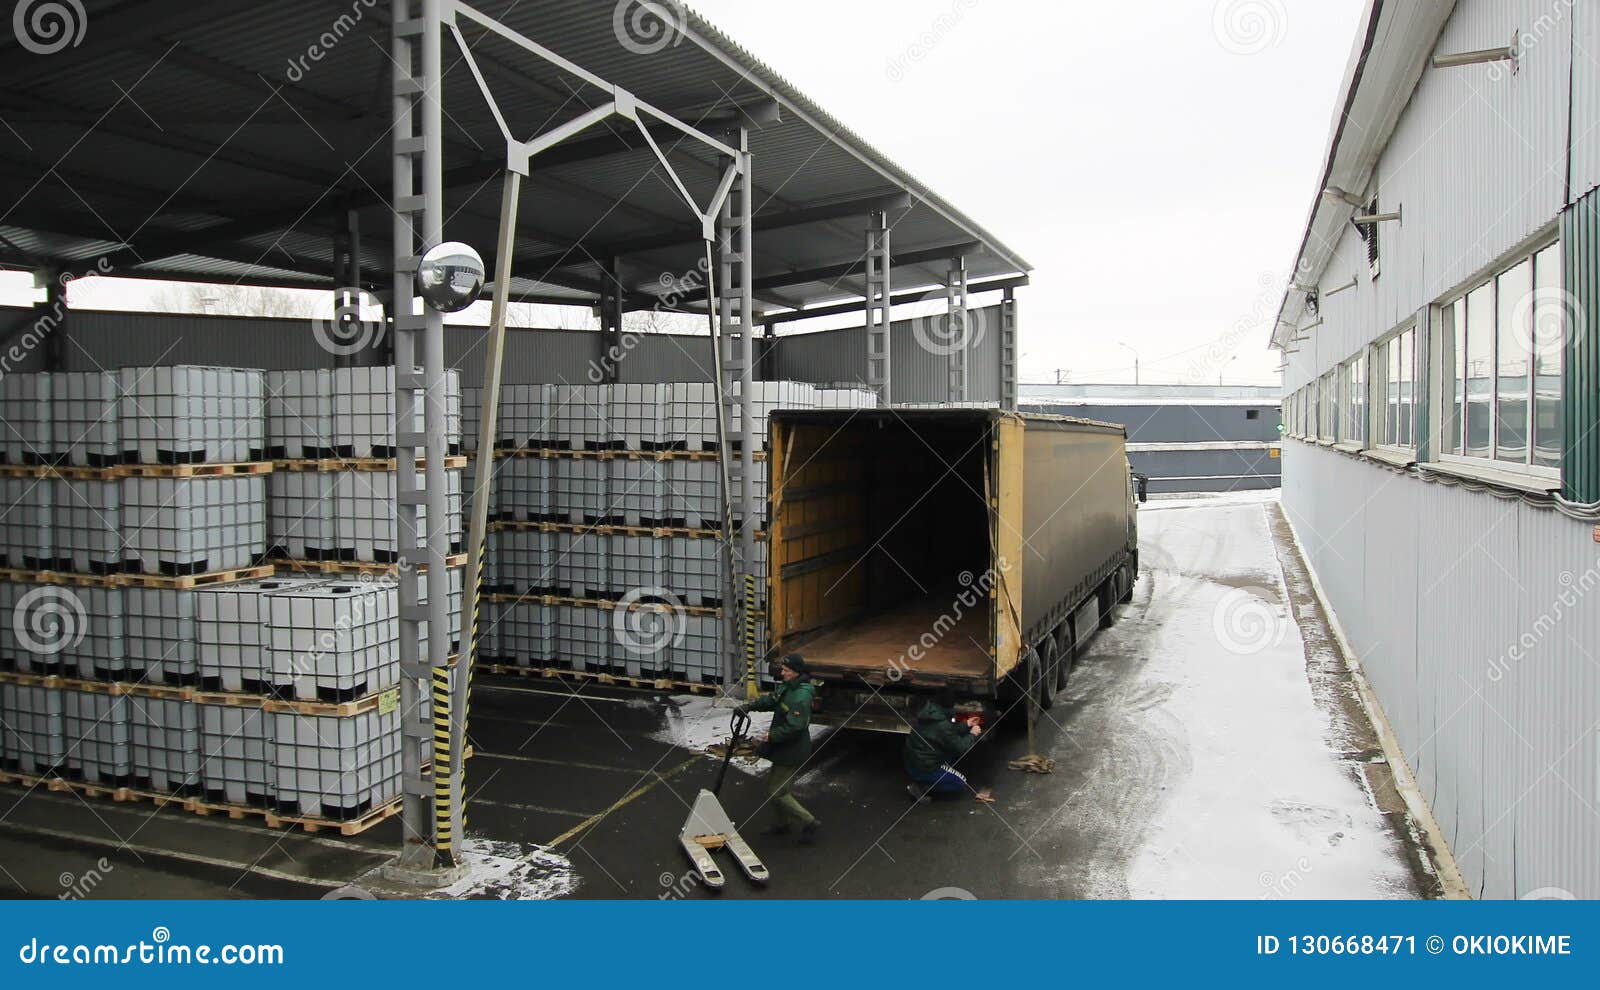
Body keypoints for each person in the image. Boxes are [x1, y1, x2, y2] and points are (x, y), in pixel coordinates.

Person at [736, 653, 821, 842]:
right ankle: (782, 824)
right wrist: (749, 707)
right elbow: (772, 700)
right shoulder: (789, 687)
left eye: (786, 670)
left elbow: (796, 726)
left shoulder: (801, 696)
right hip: (784, 748)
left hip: (793, 750)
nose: (782, 673)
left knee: (777, 791)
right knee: (775, 788)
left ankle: (809, 821)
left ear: (796, 673)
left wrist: (772, 735)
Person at [903, 689, 981, 801]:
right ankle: (922, 787)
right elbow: (960, 747)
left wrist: (967, 724)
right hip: (926, 767)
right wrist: (973, 734)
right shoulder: (942, 723)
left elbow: (947, 732)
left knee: (949, 752)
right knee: (961, 782)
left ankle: (927, 778)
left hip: (912, 763)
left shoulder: (930, 714)